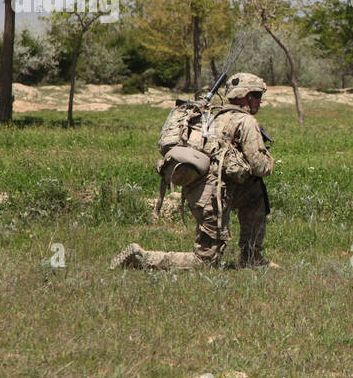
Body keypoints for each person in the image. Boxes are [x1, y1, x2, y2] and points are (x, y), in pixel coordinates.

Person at [112, 72, 275, 270]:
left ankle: (252, 257)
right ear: (245, 96)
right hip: (213, 194)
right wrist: (269, 159)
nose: (260, 101)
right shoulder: (245, 121)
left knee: (255, 193)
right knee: (206, 261)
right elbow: (261, 167)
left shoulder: (211, 116)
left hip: (203, 188)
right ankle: (143, 258)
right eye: (257, 95)